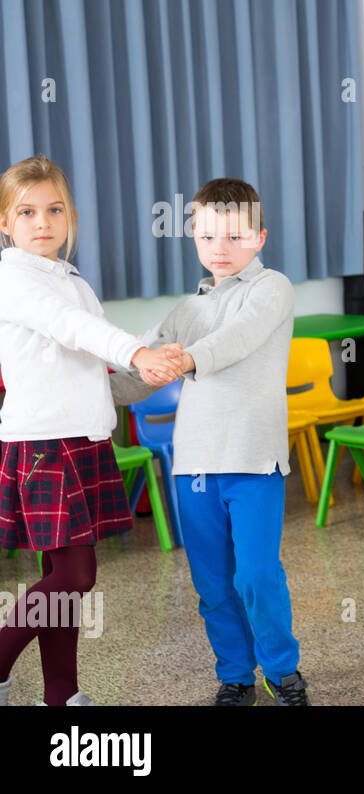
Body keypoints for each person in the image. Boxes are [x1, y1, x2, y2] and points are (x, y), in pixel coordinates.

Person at [109, 178, 308, 706]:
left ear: (260, 237)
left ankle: (283, 672)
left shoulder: (273, 289)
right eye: (208, 236)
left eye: (235, 236)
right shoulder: (185, 310)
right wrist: (89, 383)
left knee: (257, 575)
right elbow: (138, 373)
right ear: (193, 237)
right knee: (214, 586)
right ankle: (236, 676)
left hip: (254, 461)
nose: (221, 248)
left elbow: (236, 339)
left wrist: (187, 358)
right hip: (193, 467)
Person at [0, 155, 182, 707]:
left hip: (81, 439)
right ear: (5, 223)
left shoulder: (67, 277)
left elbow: (92, 362)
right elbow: (75, 329)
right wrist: (139, 351)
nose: (42, 222)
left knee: (62, 578)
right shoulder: (13, 277)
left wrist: (160, 349)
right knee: (76, 575)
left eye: (54, 209)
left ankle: (61, 694)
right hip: (43, 445)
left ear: (71, 215)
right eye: (26, 212)